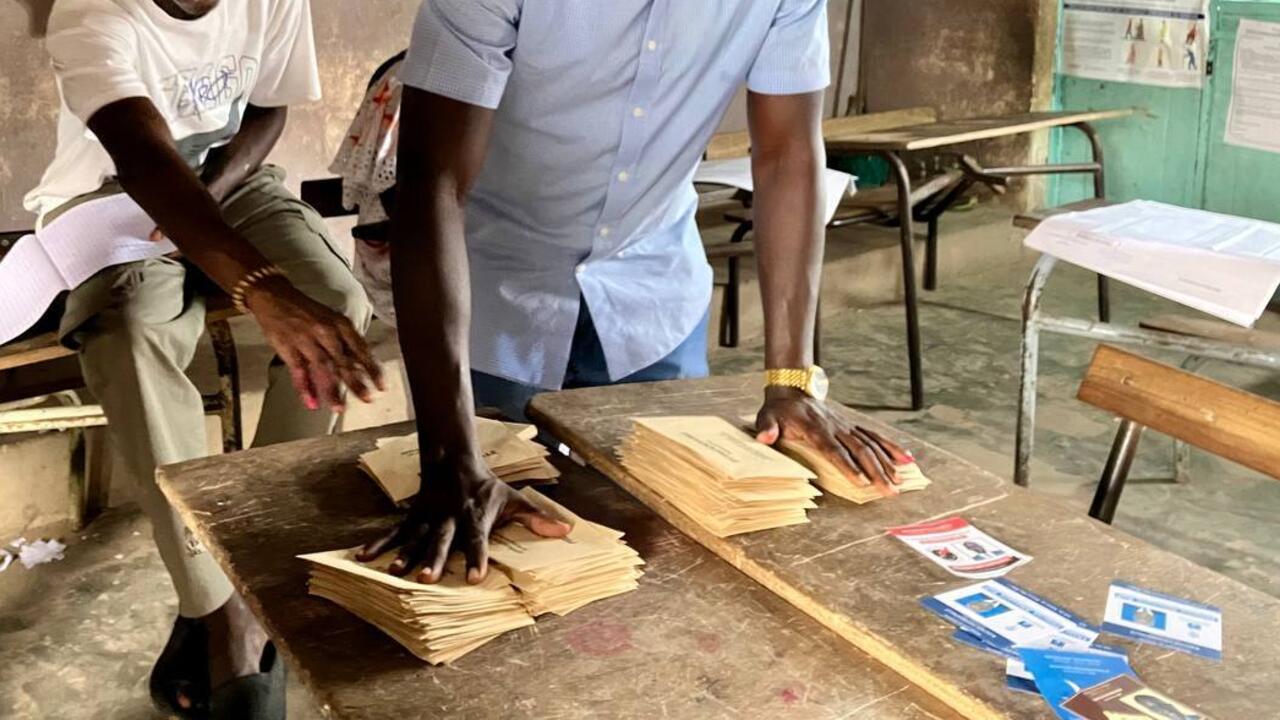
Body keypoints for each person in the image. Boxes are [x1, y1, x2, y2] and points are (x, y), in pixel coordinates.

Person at [359, 0, 906, 586]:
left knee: (674, 553)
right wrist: (450, 457)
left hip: (653, 296)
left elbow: (786, 156)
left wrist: (791, 380)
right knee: (497, 569)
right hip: (490, 299)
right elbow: (433, 181)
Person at [22, 0, 381, 716]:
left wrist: (212, 197)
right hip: (110, 198)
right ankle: (222, 615)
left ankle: (254, 557)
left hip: (232, 183)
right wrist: (258, 287)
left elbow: (267, 109)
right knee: (130, 334)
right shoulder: (94, 13)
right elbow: (141, 155)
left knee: (336, 300)